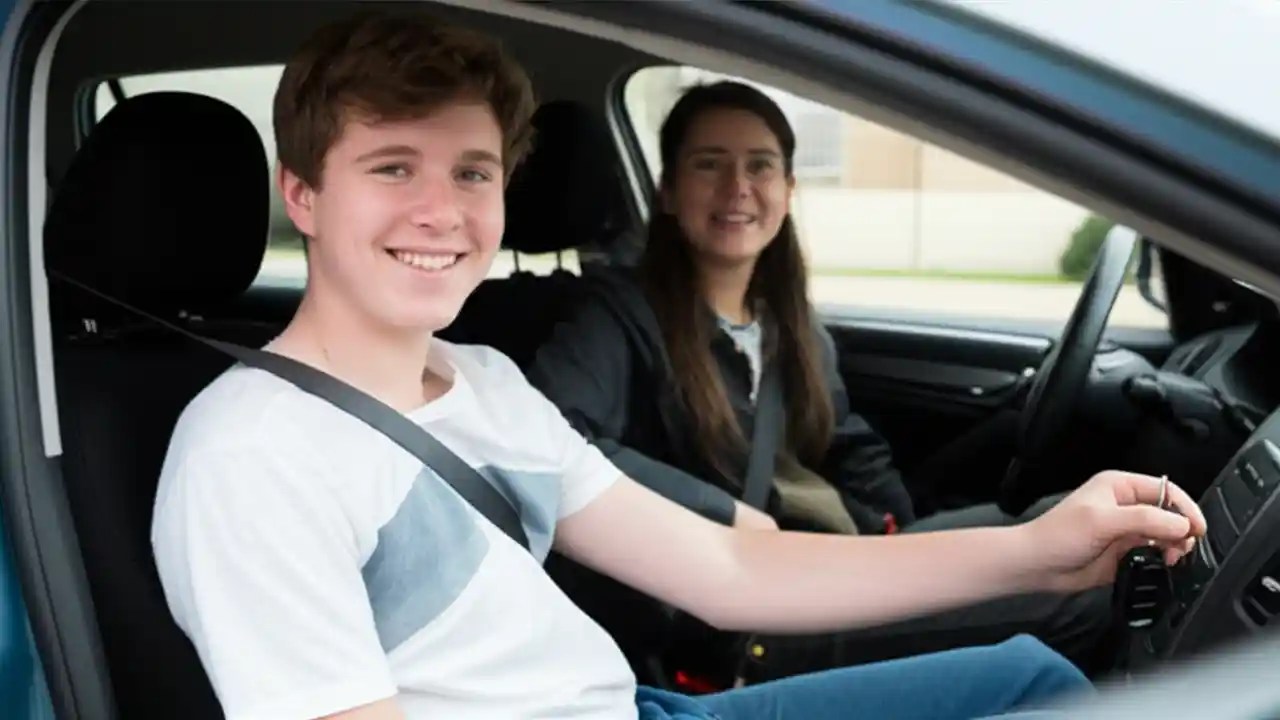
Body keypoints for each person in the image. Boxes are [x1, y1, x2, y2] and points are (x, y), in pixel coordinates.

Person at [149, 11, 1205, 720]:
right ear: (303, 197)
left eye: (471, 171)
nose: (442, 212)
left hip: (631, 705)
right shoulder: (250, 456)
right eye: (392, 168)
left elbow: (732, 570)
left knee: (1033, 679)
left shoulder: (485, 384)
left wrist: (1038, 551)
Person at [525, 80, 1116, 676]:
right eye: (710, 165)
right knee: (1077, 602)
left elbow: (841, 437)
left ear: (787, 190)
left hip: (833, 558)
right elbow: (550, 440)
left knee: (1078, 531)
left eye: (760, 166)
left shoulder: (786, 317)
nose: (738, 189)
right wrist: (722, 514)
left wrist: (902, 534)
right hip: (736, 613)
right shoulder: (615, 313)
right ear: (670, 192)